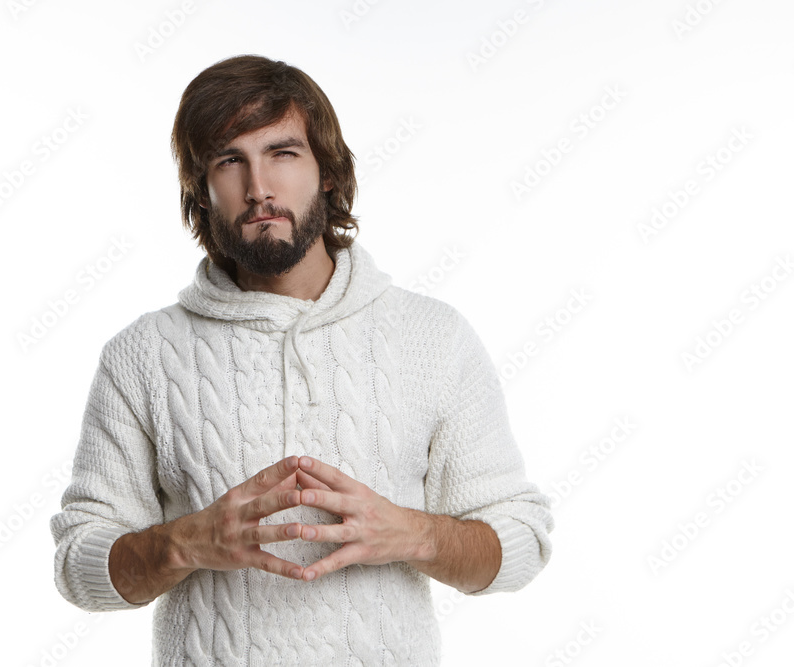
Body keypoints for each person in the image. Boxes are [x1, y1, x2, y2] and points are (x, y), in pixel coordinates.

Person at [50, 54, 554, 665]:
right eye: (229, 160)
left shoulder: (433, 337)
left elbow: (520, 543)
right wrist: (183, 543)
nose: (259, 186)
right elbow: (78, 564)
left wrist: (413, 533)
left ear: (328, 173)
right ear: (200, 192)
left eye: (283, 153)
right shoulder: (142, 357)